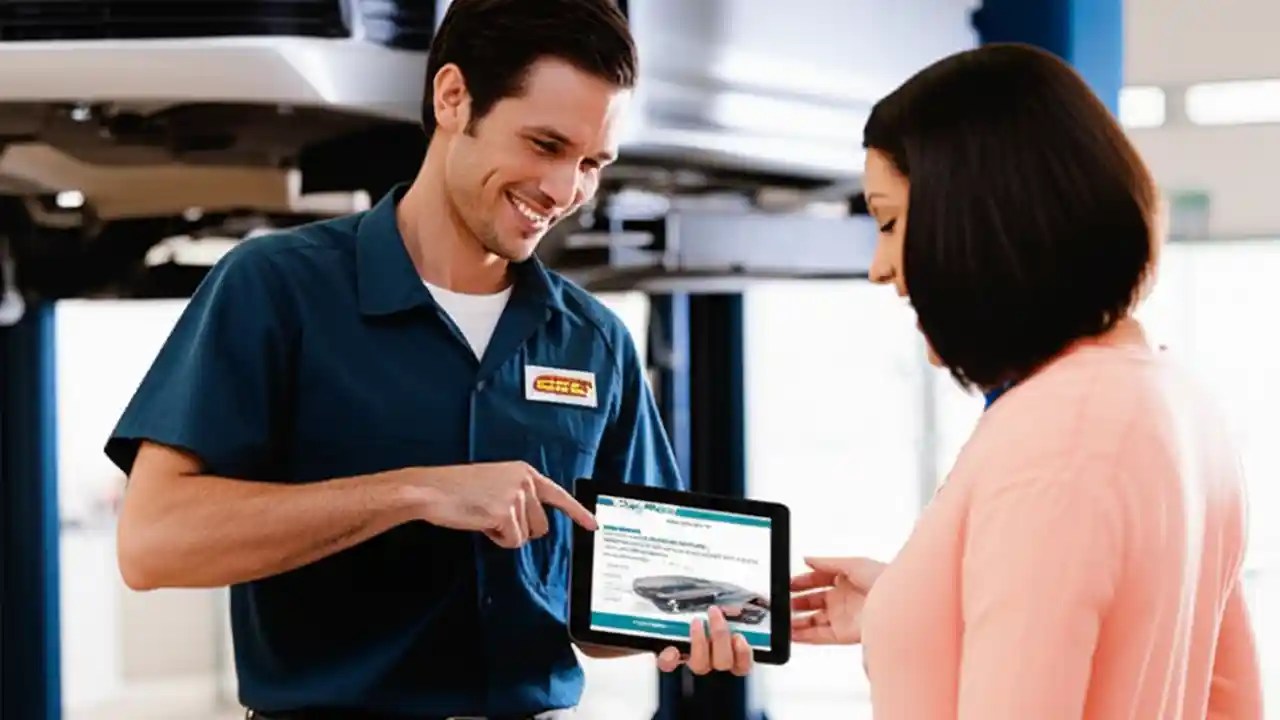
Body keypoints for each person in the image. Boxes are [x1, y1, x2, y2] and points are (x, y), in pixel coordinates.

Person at [106, 1, 747, 718]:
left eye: (592, 163)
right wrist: (414, 493)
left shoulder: (594, 341)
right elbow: (153, 543)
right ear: (452, 98)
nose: (566, 191)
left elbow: (608, 612)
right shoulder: (275, 288)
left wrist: (706, 619)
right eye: (543, 144)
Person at [788, 44, 1264, 719]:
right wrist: (912, 606)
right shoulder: (1176, 399)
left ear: (979, 216)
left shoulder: (1056, 434)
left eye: (891, 222)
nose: (880, 267)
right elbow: (1228, 700)